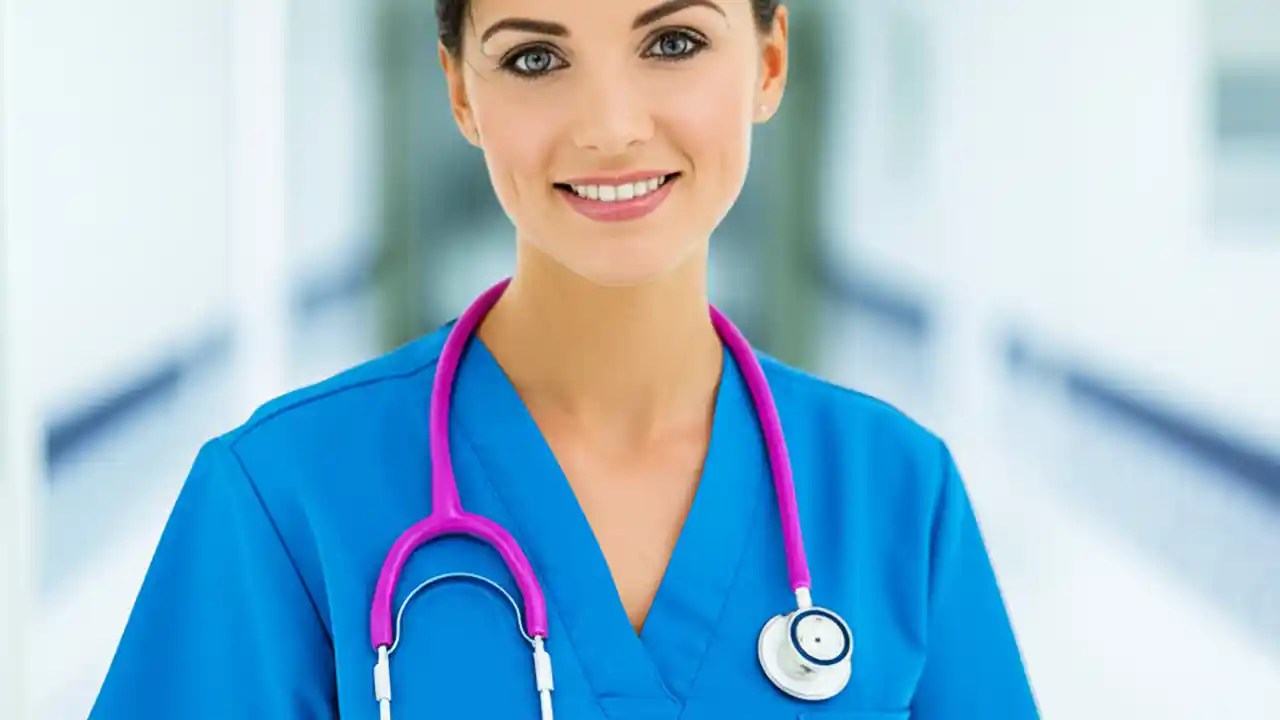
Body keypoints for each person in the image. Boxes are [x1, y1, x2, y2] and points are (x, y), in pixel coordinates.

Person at [90, 1, 1039, 717]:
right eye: (535, 58)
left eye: (672, 42)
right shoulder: (283, 498)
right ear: (462, 91)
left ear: (769, 60)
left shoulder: (897, 494)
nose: (610, 125)